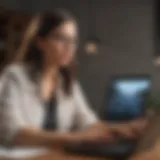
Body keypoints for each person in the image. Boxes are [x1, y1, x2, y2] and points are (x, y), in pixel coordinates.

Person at [0, 9, 147, 149]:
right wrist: (78, 137)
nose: (69, 47)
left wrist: (122, 128)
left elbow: (88, 122)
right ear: (41, 42)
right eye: (60, 38)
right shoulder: (15, 76)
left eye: (73, 40)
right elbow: (14, 133)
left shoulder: (68, 83)